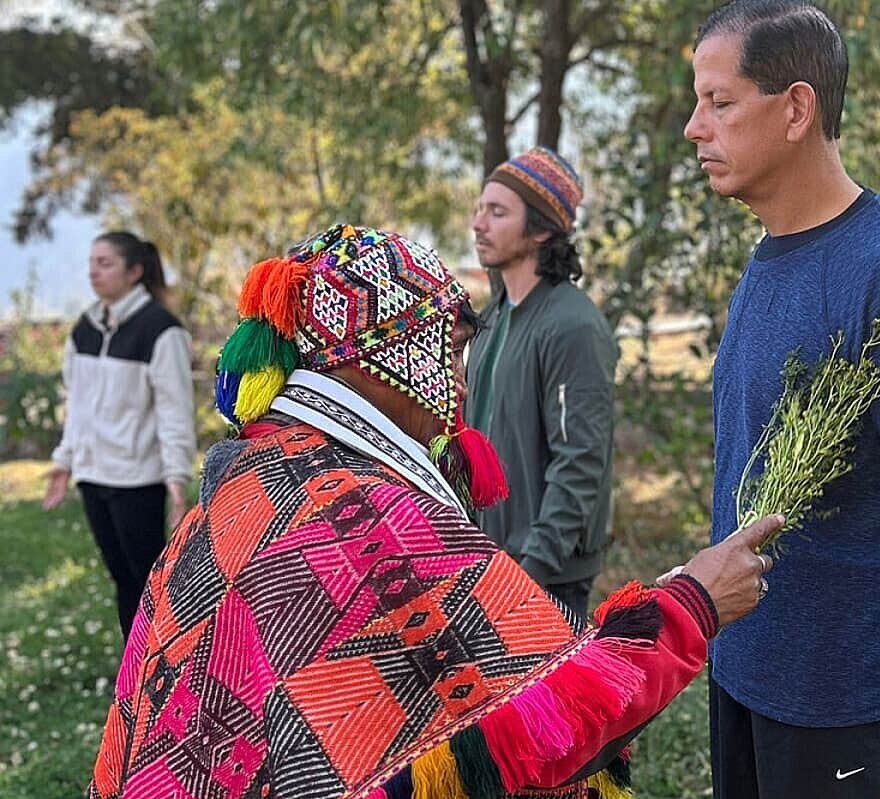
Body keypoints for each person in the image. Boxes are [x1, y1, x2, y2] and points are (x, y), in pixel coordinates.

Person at [87, 223, 780, 799]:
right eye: (448, 351)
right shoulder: (374, 516)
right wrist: (693, 603)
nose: (457, 381)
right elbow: (544, 719)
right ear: (396, 355)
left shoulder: (253, 470)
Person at [683, 3, 880, 798]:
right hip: (742, 676)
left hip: (845, 711)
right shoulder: (766, 261)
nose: (693, 127)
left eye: (719, 102)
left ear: (796, 109)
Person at [466, 147, 618, 619]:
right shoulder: (492, 319)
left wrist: (532, 568)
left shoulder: (572, 326)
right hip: (493, 562)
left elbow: (580, 459)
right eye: (479, 209)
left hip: (546, 576)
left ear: (541, 230)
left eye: (497, 212)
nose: (478, 224)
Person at [43, 231, 196, 639]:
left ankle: (161, 666)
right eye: (92, 262)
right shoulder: (84, 331)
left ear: (135, 271)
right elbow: (76, 406)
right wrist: (64, 462)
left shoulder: (161, 331)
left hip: (137, 481)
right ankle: (136, 673)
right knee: (123, 583)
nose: (93, 271)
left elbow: (174, 413)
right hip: (93, 477)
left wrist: (177, 481)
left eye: (105, 263)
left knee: (150, 586)